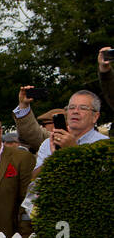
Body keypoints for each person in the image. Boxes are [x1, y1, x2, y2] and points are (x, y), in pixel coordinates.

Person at [22, 89, 107, 219]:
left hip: (91, 218)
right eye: (71, 107)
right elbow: (34, 179)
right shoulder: (48, 143)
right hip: (55, 216)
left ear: (95, 116)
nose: (75, 111)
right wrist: (53, 159)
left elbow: (101, 184)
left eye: (83, 108)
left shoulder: (104, 145)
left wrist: (73, 151)